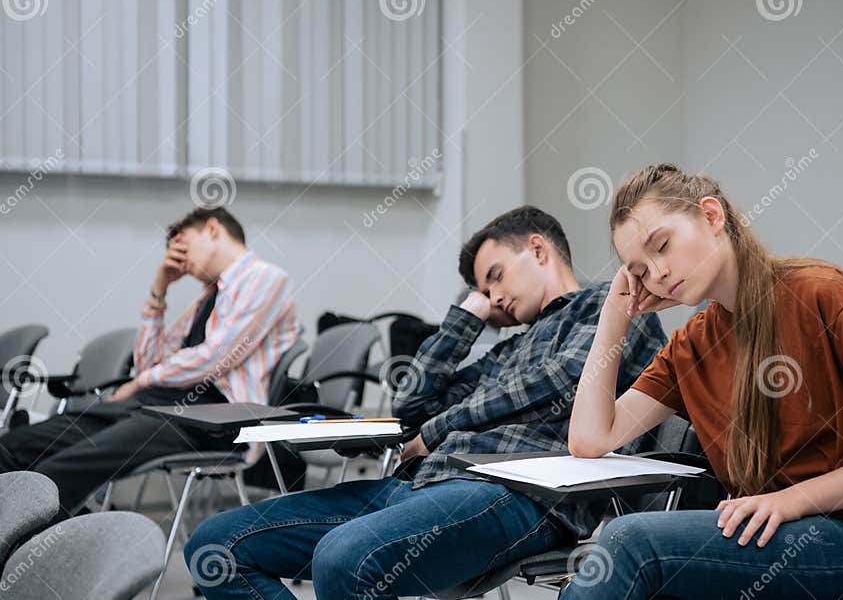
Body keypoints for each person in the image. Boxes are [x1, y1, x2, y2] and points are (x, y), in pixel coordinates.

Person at [184, 205, 668, 599]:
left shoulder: (612, 306)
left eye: (495, 277)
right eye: (483, 290)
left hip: (521, 491)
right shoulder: (510, 347)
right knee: (216, 545)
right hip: (421, 484)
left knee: (343, 558)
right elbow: (410, 406)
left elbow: (561, 382)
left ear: (538, 249)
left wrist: (436, 432)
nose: (493, 296)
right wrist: (465, 318)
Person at [563, 164, 843, 600]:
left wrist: (792, 500)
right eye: (640, 270)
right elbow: (591, 439)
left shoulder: (828, 295)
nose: (658, 273)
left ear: (711, 216)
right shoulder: (693, 343)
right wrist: (615, 315)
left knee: (632, 545)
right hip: (772, 535)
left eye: (663, 246)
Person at [0, 207, 299, 519]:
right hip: (152, 405)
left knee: (56, 471)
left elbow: (214, 358)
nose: (178, 259)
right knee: (14, 446)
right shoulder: (208, 297)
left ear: (213, 228)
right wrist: (160, 289)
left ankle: (37, 557)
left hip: (210, 418)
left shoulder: (265, 278)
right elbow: (149, 365)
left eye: (182, 246)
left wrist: (139, 383)